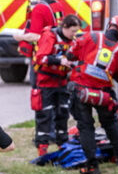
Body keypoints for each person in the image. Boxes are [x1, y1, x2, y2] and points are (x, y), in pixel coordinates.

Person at [66, 15, 118, 174]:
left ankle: (92, 166)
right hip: (104, 95)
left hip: (81, 89)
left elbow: (70, 55)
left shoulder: (90, 37)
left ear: (109, 25)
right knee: (111, 122)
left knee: (85, 126)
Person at [33, 14, 82, 155]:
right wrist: (59, 60)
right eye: (72, 31)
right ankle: (42, 148)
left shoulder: (72, 41)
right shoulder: (50, 36)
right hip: (46, 82)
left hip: (62, 82)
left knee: (63, 114)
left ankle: (63, 145)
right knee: (45, 115)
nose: (74, 34)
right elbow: (41, 58)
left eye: (76, 31)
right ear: (64, 26)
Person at [15, 0, 59, 84]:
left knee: (37, 85)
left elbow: (35, 36)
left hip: (42, 54)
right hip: (56, 52)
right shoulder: (57, 4)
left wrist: (20, 37)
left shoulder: (39, 9)